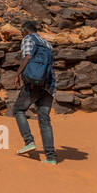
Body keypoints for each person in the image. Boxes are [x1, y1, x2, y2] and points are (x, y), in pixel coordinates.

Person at [13, 20, 58, 165]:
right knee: (44, 119)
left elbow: (27, 57)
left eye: (21, 32)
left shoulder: (28, 39)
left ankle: (29, 141)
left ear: (25, 30)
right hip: (48, 86)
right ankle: (51, 157)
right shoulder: (47, 44)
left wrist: (17, 74)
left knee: (18, 110)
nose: (21, 35)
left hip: (33, 84)